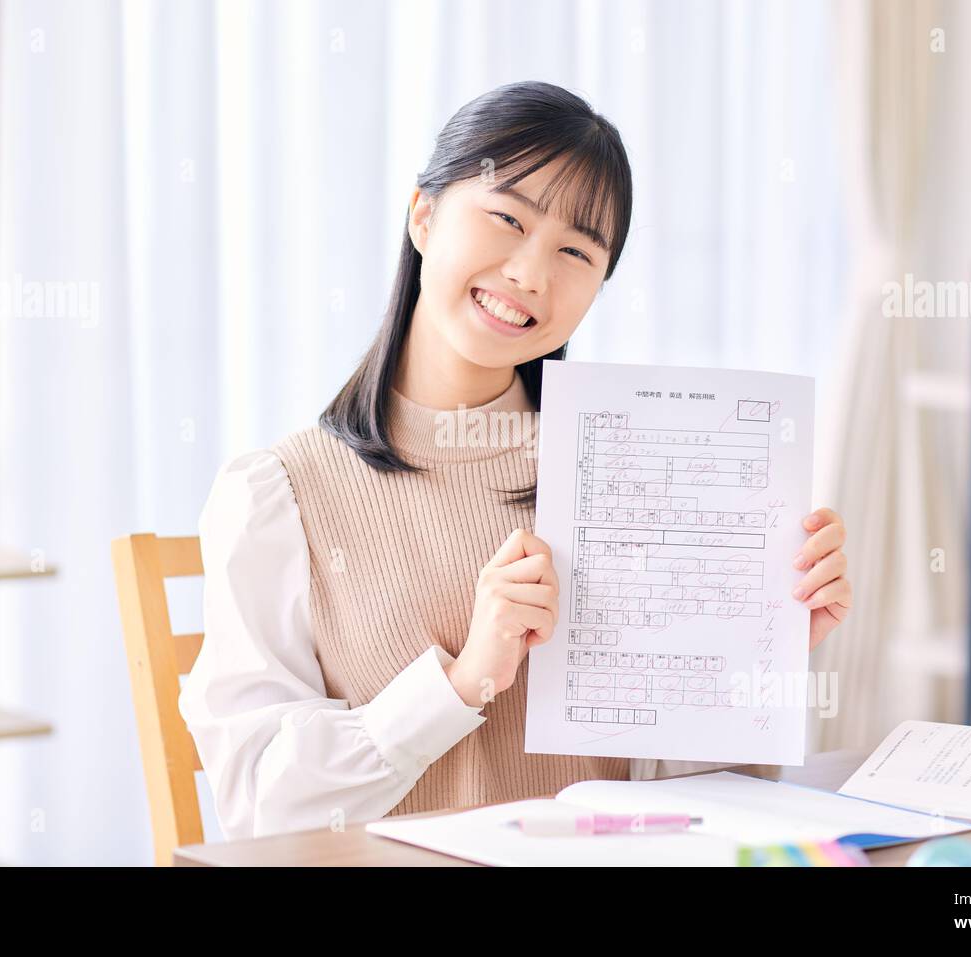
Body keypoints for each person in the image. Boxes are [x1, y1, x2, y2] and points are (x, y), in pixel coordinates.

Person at [179, 80, 852, 840]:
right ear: (425, 214)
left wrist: (757, 651)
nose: (531, 274)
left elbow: (691, 813)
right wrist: (466, 678)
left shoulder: (634, 477)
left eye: (575, 250)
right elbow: (259, 802)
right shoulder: (278, 496)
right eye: (507, 218)